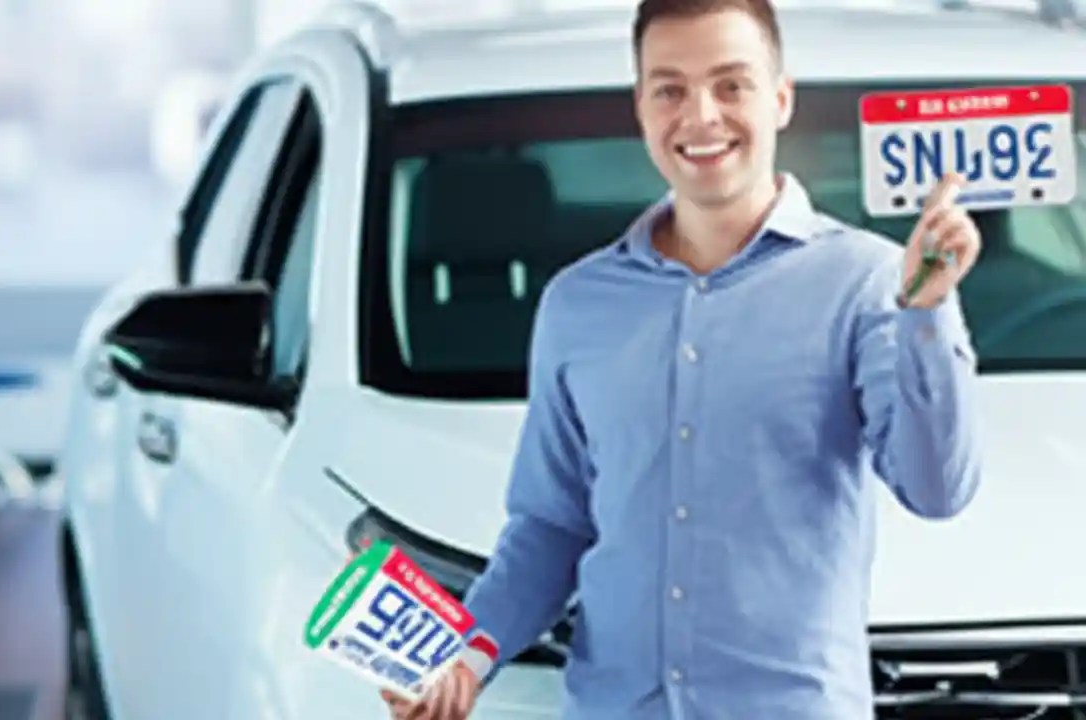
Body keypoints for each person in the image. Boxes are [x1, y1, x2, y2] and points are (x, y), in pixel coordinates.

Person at [382, 0, 983, 716]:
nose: (700, 117)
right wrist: (466, 655)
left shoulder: (869, 283)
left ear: (781, 98)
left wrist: (926, 311)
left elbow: (937, 488)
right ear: (640, 107)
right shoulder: (579, 305)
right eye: (670, 89)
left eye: (731, 85)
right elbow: (550, 525)